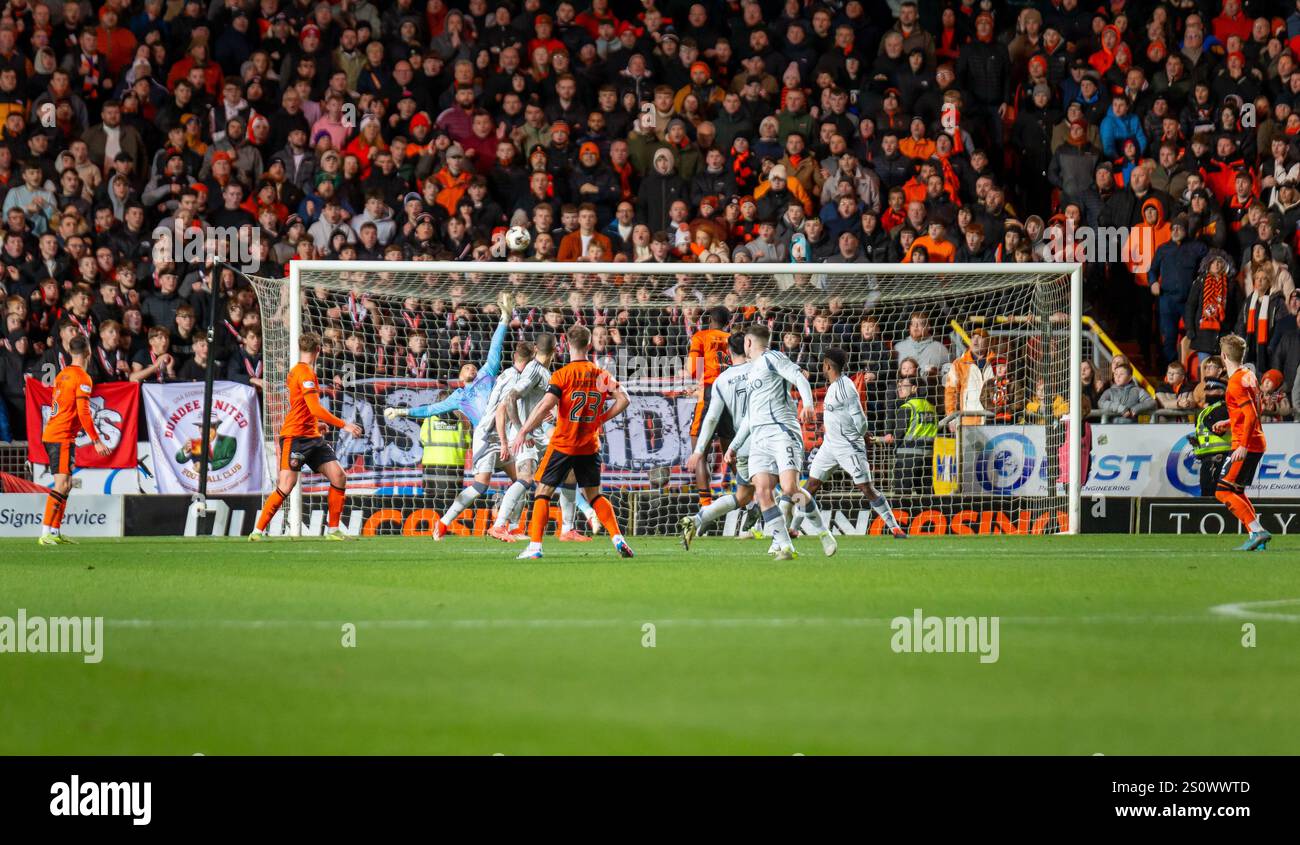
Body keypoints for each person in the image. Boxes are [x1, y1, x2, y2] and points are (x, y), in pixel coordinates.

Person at [385, 293, 513, 540]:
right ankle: (443, 523)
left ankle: (508, 524)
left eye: (472, 366)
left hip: (506, 436)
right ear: (459, 377)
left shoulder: (487, 375)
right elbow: (430, 410)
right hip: (486, 440)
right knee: (480, 486)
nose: (471, 367)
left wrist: (504, 319)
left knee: (524, 480)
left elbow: (495, 346)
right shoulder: (458, 397)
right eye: (466, 367)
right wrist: (402, 411)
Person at [510, 324, 633, 560]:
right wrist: (601, 419)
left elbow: (545, 405)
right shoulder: (601, 375)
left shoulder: (562, 375)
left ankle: (535, 547)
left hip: (564, 443)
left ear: (566, 345)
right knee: (594, 495)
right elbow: (624, 399)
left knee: (542, 493)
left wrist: (524, 430)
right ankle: (618, 538)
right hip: (589, 445)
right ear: (589, 345)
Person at [249, 333, 364, 541]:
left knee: (338, 476)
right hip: (295, 437)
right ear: (318, 350)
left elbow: (301, 407)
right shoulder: (305, 374)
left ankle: (333, 530)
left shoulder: (298, 371)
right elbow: (315, 408)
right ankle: (257, 531)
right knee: (286, 484)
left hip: (311, 434)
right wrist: (344, 424)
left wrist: (315, 424)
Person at [723, 324, 824, 560]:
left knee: (790, 489)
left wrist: (807, 403)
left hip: (781, 432)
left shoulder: (773, 358)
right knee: (763, 492)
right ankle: (783, 543)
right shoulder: (751, 371)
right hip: (760, 438)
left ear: (748, 343)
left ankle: (822, 531)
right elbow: (750, 416)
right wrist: (734, 446)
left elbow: (799, 377)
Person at [790, 349, 904, 543]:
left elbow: (861, 421)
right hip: (829, 446)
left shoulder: (846, 387)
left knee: (866, 488)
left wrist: (860, 435)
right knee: (809, 485)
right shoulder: (833, 386)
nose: (822, 368)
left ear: (827, 365)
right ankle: (793, 527)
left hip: (849, 447)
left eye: (823, 364)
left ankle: (895, 527)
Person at [501, 333, 599, 542]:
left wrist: (553, 413)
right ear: (557, 349)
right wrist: (521, 430)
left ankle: (567, 529)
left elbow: (546, 402)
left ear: (537, 348)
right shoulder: (535, 370)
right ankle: (501, 525)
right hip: (526, 434)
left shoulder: (545, 372)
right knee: (526, 479)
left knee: (570, 473)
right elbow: (511, 397)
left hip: (538, 433)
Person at [681, 332, 761, 547]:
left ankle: (703, 510)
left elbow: (712, 417)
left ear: (728, 351)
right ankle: (777, 530)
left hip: (741, 439)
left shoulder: (720, 379)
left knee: (748, 492)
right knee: (778, 488)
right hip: (765, 437)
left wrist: (697, 451)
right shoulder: (761, 367)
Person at [38, 335, 110, 546]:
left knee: (67, 485)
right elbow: (84, 412)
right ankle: (45, 533)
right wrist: (96, 440)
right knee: (61, 484)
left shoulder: (62, 374)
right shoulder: (82, 378)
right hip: (60, 436)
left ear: (70, 352)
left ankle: (55, 531)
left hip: (56, 433)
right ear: (89, 352)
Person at [1215, 334, 1271, 551]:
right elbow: (1256, 409)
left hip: (1246, 443)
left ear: (1224, 356)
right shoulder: (1248, 374)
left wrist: (1243, 445)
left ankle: (1257, 531)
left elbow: (1250, 414)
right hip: (1255, 440)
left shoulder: (1235, 383)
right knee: (1236, 491)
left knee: (1222, 491)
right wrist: (1230, 422)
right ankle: (1256, 536)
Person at [687, 306, 731, 509]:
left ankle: (705, 505)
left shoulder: (701, 336)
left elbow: (693, 369)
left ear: (709, 320)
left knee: (699, 450)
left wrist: (696, 382)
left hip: (710, 391)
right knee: (732, 450)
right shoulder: (733, 339)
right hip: (731, 394)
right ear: (727, 322)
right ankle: (748, 499)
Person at [883, 376, 937, 494]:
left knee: (901, 495)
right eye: (899, 386)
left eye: (903, 386)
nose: (900, 389)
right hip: (927, 456)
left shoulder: (907, 407)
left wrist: (895, 448)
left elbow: (899, 432)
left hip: (907, 457)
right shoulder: (931, 408)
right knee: (927, 495)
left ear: (914, 388)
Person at [1187, 371, 1231, 497]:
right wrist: (1197, 445)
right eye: (1207, 389)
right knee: (1207, 493)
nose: (1207, 392)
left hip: (1219, 459)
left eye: (1213, 389)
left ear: (1222, 392)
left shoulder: (1222, 409)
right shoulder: (1207, 411)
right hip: (1209, 459)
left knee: (1213, 496)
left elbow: (1217, 428)